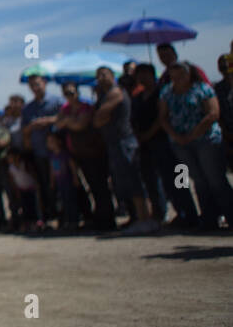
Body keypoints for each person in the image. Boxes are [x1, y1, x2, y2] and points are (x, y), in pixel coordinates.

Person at [159, 61, 233, 230]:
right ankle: (208, 219)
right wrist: (177, 136)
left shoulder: (202, 88)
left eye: (180, 74)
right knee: (197, 181)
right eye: (173, 75)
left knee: (216, 180)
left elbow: (213, 113)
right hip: (180, 143)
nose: (176, 78)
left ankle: (230, 215)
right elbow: (163, 117)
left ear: (189, 73)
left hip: (206, 140)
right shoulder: (167, 92)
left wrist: (193, 134)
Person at [132, 62, 199, 228]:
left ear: (151, 74)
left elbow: (163, 117)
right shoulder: (139, 97)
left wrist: (149, 133)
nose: (141, 78)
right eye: (139, 74)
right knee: (161, 183)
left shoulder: (163, 92)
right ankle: (168, 213)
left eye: (145, 74)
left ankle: (189, 213)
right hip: (147, 145)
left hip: (167, 141)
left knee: (179, 178)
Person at [92, 65, 157, 234]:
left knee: (134, 180)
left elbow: (99, 117)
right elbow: (98, 119)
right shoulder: (104, 95)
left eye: (104, 74)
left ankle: (146, 218)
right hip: (114, 142)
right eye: (98, 75)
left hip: (124, 141)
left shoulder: (116, 92)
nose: (101, 78)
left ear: (113, 76)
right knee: (125, 182)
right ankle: (136, 217)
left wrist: (101, 115)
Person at [58, 82, 114, 231]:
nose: (69, 96)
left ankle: (108, 220)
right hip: (77, 153)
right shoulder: (65, 109)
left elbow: (80, 125)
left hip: (93, 152)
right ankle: (96, 218)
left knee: (100, 186)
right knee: (88, 186)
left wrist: (68, 121)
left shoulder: (86, 107)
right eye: (66, 93)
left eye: (71, 92)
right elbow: (58, 124)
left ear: (77, 92)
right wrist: (71, 121)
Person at [21, 75, 62, 230]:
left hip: (58, 152)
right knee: (44, 186)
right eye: (32, 85)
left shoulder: (57, 102)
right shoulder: (28, 108)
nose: (35, 88)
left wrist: (49, 121)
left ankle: (66, 217)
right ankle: (49, 217)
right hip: (38, 153)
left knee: (61, 185)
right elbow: (25, 130)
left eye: (37, 84)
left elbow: (65, 117)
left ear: (44, 83)